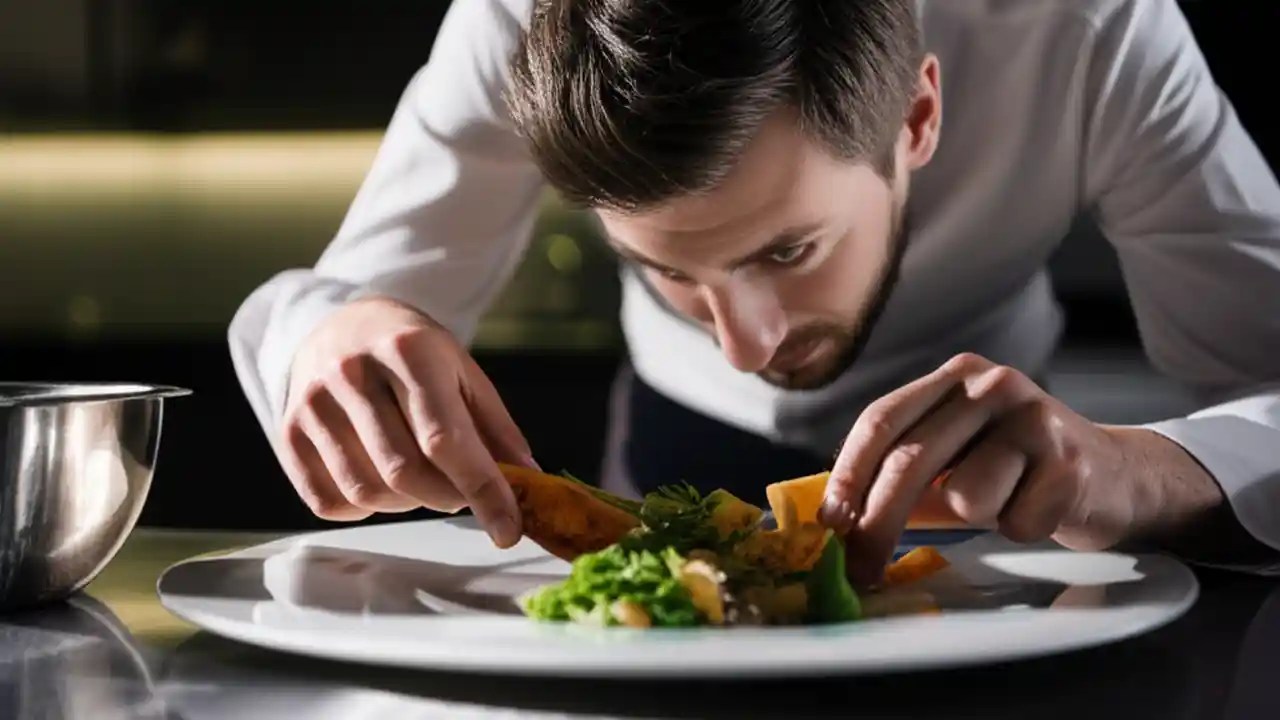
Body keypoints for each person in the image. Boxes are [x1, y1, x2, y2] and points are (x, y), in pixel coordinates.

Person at [228, 0, 1280, 584]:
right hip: (668, 453)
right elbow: (344, 299)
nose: (743, 342)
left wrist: (1126, 472)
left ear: (915, 118)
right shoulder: (527, 26)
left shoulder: (1086, 28)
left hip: (1000, 485)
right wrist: (335, 335)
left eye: (787, 250)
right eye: (667, 269)